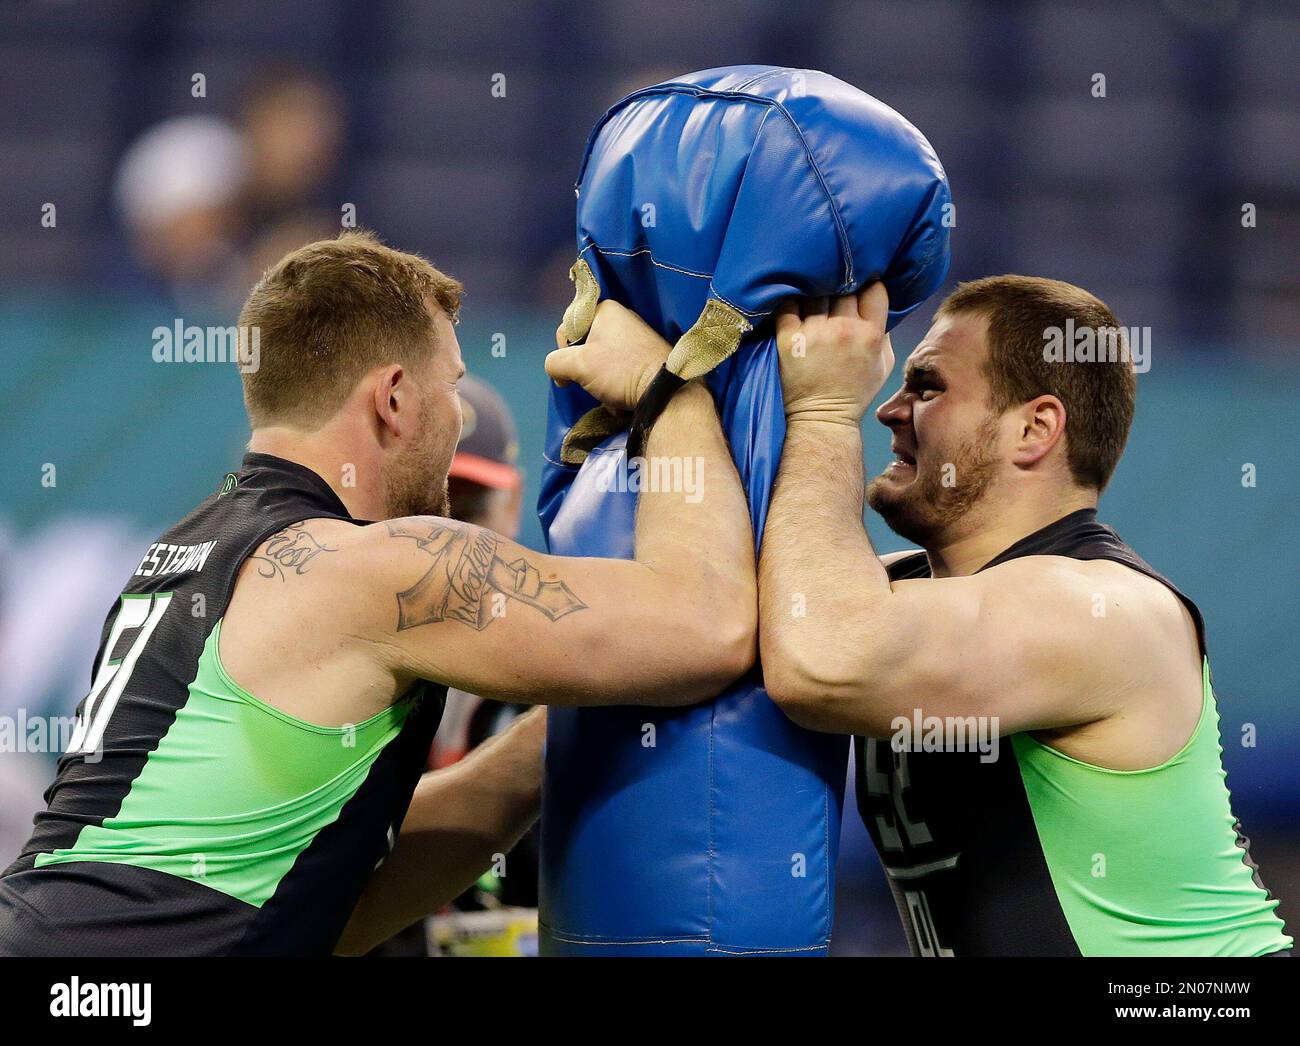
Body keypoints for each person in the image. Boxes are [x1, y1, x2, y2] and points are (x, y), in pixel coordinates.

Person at [0, 230, 755, 957]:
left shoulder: (185, 557)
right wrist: (668, 389)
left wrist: (554, 738)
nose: (457, 421)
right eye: (452, 388)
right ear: (393, 399)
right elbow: (707, 625)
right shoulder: (375, 568)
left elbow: (333, 914)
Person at [756, 276, 1292, 956]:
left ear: (1034, 429)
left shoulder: (1101, 608)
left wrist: (826, 412)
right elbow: (757, 611)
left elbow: (824, 661)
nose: (889, 409)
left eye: (926, 386)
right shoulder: (900, 603)